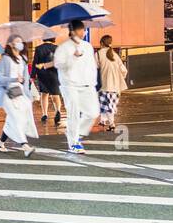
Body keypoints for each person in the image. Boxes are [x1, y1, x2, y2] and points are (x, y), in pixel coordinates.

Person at [54, 19, 101, 154]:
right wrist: (72, 57)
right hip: (70, 85)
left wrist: (93, 82)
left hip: (87, 85)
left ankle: (75, 132)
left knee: (93, 113)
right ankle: (74, 143)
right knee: (73, 114)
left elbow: (92, 65)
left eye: (84, 29)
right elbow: (58, 64)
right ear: (73, 31)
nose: (84, 32)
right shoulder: (63, 47)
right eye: (81, 29)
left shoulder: (87, 46)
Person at [0, 35, 38, 156]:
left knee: (15, 119)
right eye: (17, 41)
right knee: (16, 118)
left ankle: (1, 143)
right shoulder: (5, 59)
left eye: (20, 41)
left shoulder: (22, 59)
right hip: (8, 93)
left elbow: (26, 78)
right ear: (11, 44)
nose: (20, 44)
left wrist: (28, 94)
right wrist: (13, 79)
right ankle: (25, 145)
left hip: (20, 93)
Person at [96, 34, 128, 131]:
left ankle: (111, 124)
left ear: (101, 43)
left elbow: (94, 68)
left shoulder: (98, 54)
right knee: (110, 104)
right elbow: (124, 70)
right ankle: (103, 121)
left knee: (104, 104)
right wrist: (119, 78)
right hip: (115, 85)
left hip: (104, 84)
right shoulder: (115, 55)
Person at [32, 34, 63, 127]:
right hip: (54, 74)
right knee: (56, 95)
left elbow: (35, 63)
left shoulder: (38, 49)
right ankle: (58, 110)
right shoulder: (57, 48)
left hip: (42, 74)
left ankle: (45, 114)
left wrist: (33, 75)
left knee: (44, 94)